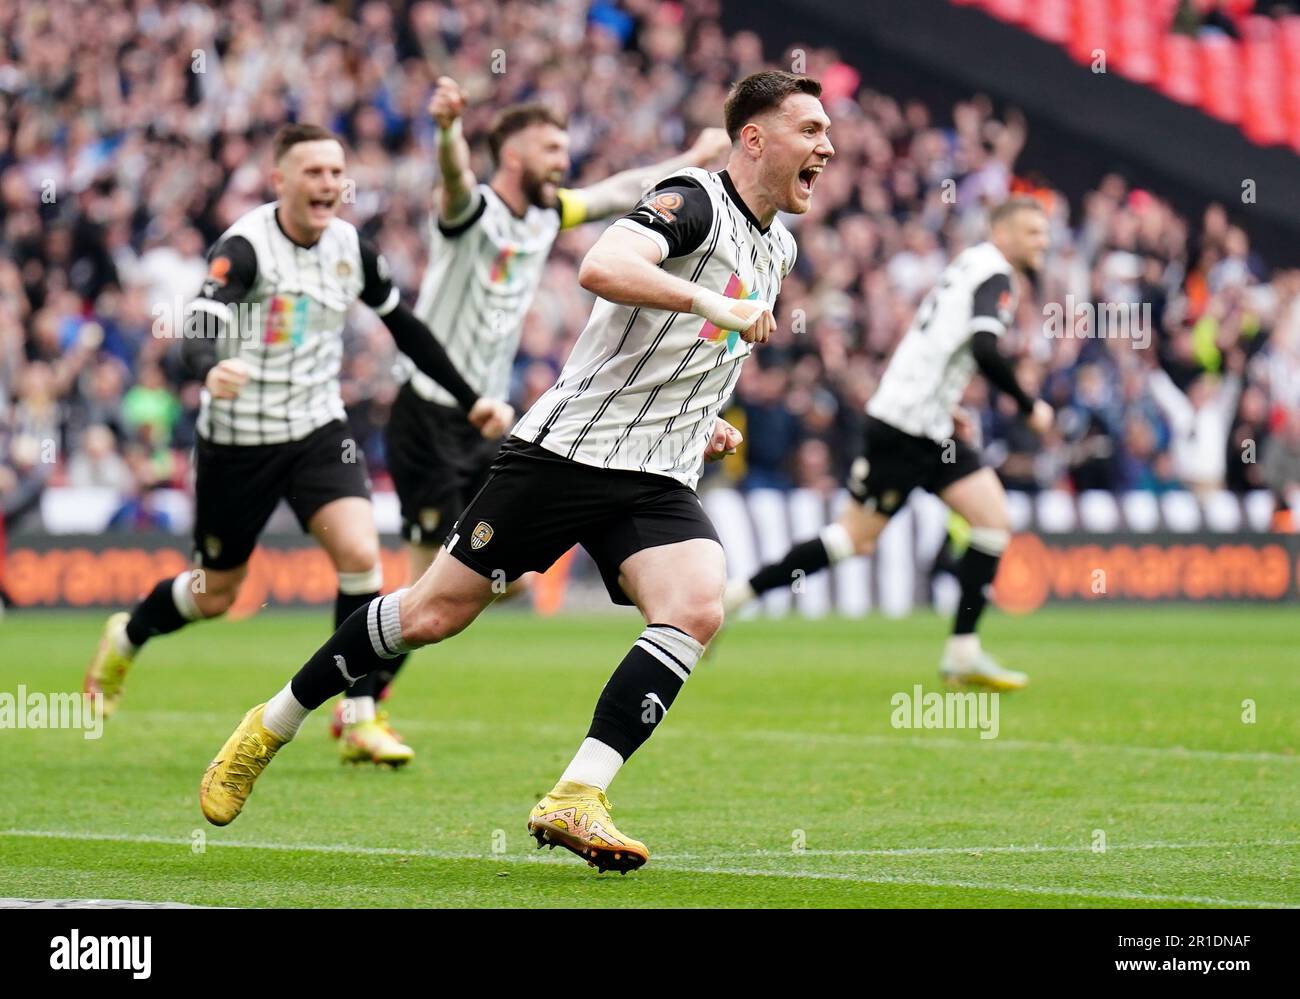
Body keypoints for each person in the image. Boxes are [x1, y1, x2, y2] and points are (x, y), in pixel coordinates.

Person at [197, 70, 833, 874]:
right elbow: (602, 264)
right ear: (754, 138)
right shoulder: (694, 199)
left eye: (826, 132)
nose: (828, 145)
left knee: (696, 607)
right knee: (432, 614)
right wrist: (715, 308)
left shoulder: (781, 244)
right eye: (810, 129)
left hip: (657, 470)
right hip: (566, 453)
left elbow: (688, 349)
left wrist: (698, 413)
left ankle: (577, 793)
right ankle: (273, 722)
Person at [336, 78, 732, 763]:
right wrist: (447, 131)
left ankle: (363, 697)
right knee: (426, 579)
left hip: (488, 421)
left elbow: (620, 190)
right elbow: (455, 180)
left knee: (499, 579)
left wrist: (692, 157)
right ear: (511, 152)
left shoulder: (549, 215)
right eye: (550, 145)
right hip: (427, 412)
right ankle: (358, 706)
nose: (563, 156)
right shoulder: (471, 210)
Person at [83, 124, 513, 733]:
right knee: (214, 594)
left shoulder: (350, 248)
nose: (329, 184)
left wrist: (471, 400)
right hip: (238, 440)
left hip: (316, 430)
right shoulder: (246, 246)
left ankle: (359, 711)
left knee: (361, 554)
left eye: (337, 172)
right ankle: (127, 634)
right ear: (279, 179)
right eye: (313, 172)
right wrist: (213, 368)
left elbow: (408, 329)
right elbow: (194, 334)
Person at [725, 197, 1054, 691]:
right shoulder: (996, 275)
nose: (1041, 243)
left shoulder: (968, 265)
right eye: (1031, 232)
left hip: (921, 422)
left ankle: (963, 650)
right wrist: (1030, 405)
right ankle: (732, 599)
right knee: (856, 539)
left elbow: (940, 344)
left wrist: (946, 403)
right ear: (1002, 233)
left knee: (988, 521)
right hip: (908, 429)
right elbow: (984, 348)